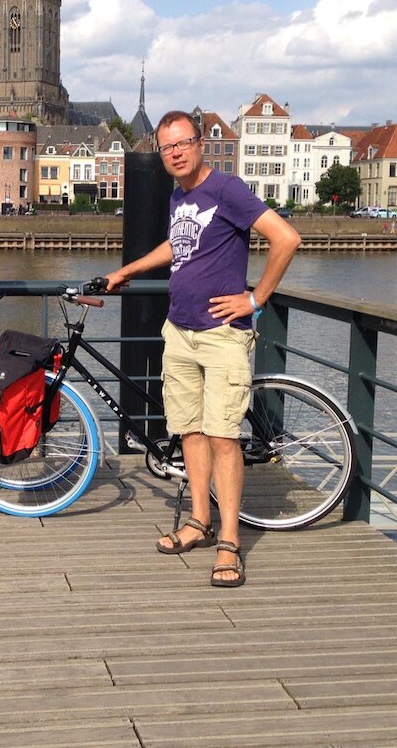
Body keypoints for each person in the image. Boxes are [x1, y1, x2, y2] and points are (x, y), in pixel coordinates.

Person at [104, 110, 301, 587]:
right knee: (189, 431)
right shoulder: (180, 196)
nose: (174, 153)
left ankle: (230, 543)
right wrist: (127, 271)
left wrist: (256, 298)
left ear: (199, 145)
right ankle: (199, 522)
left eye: (182, 144)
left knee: (222, 437)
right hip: (180, 330)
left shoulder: (227, 189)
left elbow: (286, 238)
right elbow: (177, 246)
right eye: (166, 146)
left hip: (221, 335)